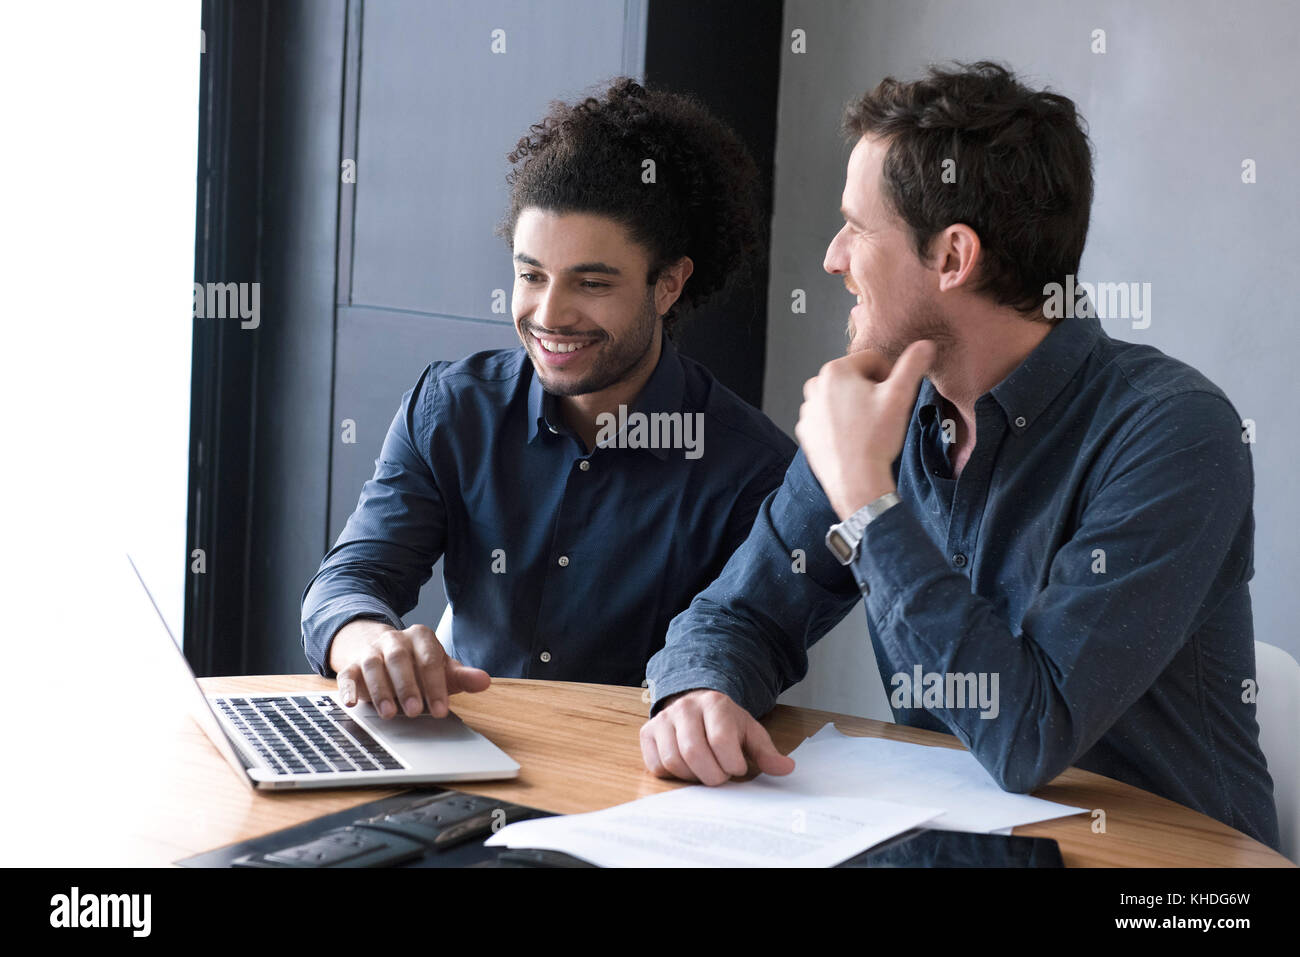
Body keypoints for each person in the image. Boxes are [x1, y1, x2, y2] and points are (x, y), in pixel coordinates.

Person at [640, 61, 1280, 850]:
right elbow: (736, 614)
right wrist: (699, 690)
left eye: (856, 227)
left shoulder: (1174, 434)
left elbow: (1029, 736)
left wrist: (867, 500)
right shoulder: (884, 410)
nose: (833, 258)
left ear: (952, 257)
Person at [301, 78, 796, 724]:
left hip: (635, 786)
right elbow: (349, 579)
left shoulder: (752, 469)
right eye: (531, 275)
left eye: (590, 283)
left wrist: (700, 693)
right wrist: (367, 639)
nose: (549, 314)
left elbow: (741, 643)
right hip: (456, 760)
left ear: (669, 284)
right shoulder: (451, 410)